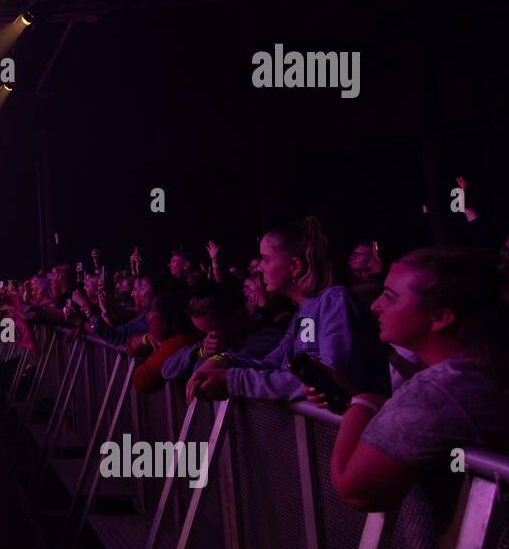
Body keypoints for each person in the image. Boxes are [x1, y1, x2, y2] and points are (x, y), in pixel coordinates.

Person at [322, 248, 509, 518]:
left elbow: (354, 488)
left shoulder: (438, 391)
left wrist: (365, 401)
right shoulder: (483, 366)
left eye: (390, 296)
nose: (375, 305)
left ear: (440, 318)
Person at [188, 216, 389, 403]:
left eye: (266, 259)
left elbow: (329, 379)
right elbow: (274, 363)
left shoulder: (334, 301)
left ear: (294, 266)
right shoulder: (303, 314)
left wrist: (234, 381)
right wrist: (223, 361)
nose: (260, 268)